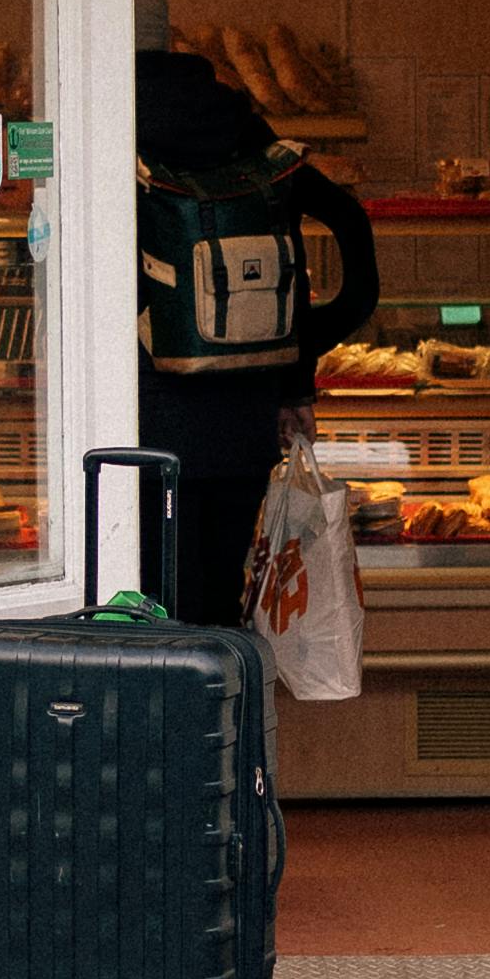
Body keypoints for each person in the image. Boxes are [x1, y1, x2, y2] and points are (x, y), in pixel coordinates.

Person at [133, 43, 380, 628]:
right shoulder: (243, 129)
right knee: (220, 607)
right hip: (244, 422)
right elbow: (348, 219)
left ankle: (170, 713)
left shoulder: (113, 123)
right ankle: (220, 709)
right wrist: (299, 363)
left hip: (147, 428)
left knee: (153, 614)